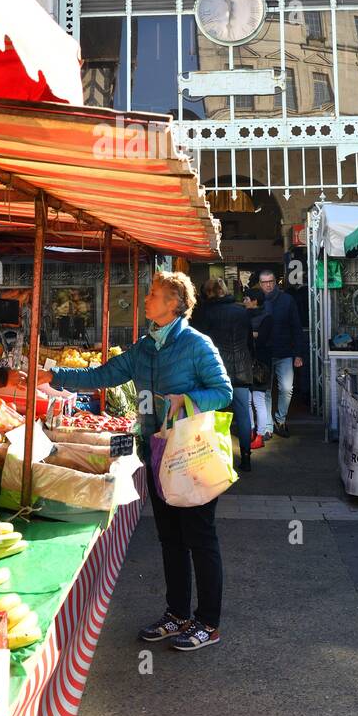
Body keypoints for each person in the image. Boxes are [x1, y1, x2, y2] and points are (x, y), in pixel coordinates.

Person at [39, 271, 232, 651]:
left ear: (174, 304)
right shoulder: (145, 347)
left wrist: (186, 399)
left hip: (191, 455)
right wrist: (54, 375)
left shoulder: (196, 344)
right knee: (170, 539)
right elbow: (105, 373)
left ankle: (208, 623)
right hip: (156, 452)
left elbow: (223, 392)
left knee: (201, 539)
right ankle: (177, 613)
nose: (146, 299)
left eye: (154, 294)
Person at [193, 278, 254, 471]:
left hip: (215, 372)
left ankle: (216, 457)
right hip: (241, 370)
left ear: (207, 293)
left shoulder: (204, 314)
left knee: (214, 415)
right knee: (244, 415)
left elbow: (199, 345)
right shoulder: (241, 311)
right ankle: (246, 458)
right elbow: (249, 341)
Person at [258, 268, 305, 437]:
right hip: (263, 354)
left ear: (275, 282)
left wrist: (298, 353)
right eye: (264, 282)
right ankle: (269, 425)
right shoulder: (257, 300)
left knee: (286, 388)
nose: (268, 285)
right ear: (260, 283)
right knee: (266, 391)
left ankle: (280, 419)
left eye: (270, 281)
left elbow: (296, 327)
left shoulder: (287, 300)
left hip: (285, 352)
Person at [243, 286, 273, 447]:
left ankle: (259, 434)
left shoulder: (266, 318)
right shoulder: (261, 317)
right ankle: (252, 431)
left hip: (260, 365)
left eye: (246, 299)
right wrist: (254, 334)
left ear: (254, 301)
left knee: (257, 400)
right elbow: (256, 338)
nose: (244, 301)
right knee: (249, 400)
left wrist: (252, 335)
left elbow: (262, 340)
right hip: (252, 362)